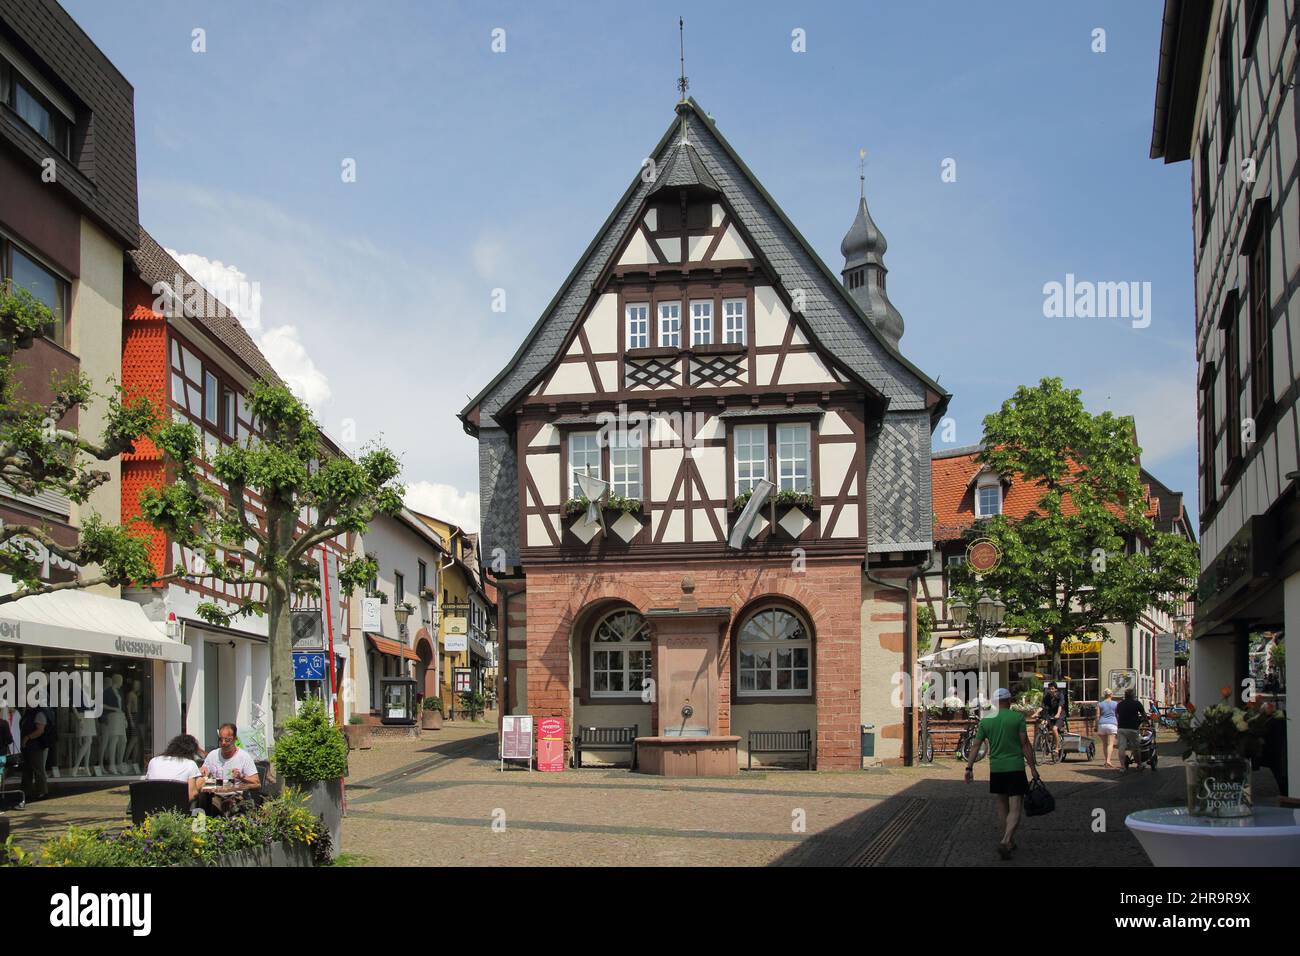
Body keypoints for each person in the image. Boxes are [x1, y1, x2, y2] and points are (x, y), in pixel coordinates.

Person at [965, 686, 1040, 860]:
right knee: (1015, 808)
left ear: (996, 703)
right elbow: (1025, 745)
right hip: (1015, 767)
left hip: (997, 769)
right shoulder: (1017, 718)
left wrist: (969, 768)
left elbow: (976, 745)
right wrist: (1033, 769)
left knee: (1002, 807)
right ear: (1009, 700)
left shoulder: (986, 721)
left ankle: (1009, 841)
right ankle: (1006, 840)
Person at [144, 734, 207, 801]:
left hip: (152, 805)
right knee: (201, 781)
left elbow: (147, 786)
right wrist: (201, 782)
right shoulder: (190, 764)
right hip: (177, 807)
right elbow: (191, 795)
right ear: (191, 751)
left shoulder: (154, 761)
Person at [201, 723, 260, 790]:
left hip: (235, 796)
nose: (223, 743)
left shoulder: (243, 757)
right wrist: (202, 772)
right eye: (220, 739)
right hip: (214, 794)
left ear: (235, 739)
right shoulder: (213, 755)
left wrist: (241, 777)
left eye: (227, 740)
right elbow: (203, 773)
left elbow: (257, 783)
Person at [19, 706, 52, 801]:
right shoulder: (28, 713)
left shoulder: (39, 713)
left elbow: (40, 730)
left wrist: (28, 737)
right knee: (27, 769)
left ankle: (42, 792)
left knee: (38, 769)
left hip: (35, 746)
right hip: (27, 746)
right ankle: (26, 792)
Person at [1116, 688, 1147, 771]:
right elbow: (1143, 714)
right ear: (1133, 695)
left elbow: (1117, 715)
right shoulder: (1137, 703)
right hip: (1132, 728)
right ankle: (1139, 765)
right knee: (1136, 748)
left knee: (1121, 748)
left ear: (1125, 696)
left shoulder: (1120, 704)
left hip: (1121, 728)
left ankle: (1122, 767)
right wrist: (1146, 721)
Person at [1036, 682, 1065, 757]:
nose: (1050, 690)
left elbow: (1060, 706)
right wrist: (1036, 713)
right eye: (1049, 689)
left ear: (1056, 689)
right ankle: (1047, 743)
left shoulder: (1060, 695)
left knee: (1055, 729)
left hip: (1060, 715)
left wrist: (1058, 714)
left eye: (1052, 689)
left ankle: (1057, 747)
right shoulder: (1047, 696)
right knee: (1042, 725)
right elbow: (1042, 706)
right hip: (1050, 715)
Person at [1097, 688, 1119, 768]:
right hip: (1112, 724)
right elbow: (1117, 715)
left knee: (1104, 744)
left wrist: (1097, 725)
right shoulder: (1115, 704)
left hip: (1102, 724)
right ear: (1111, 694)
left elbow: (1097, 716)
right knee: (1110, 744)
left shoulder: (1100, 704)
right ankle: (1108, 761)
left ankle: (1106, 760)